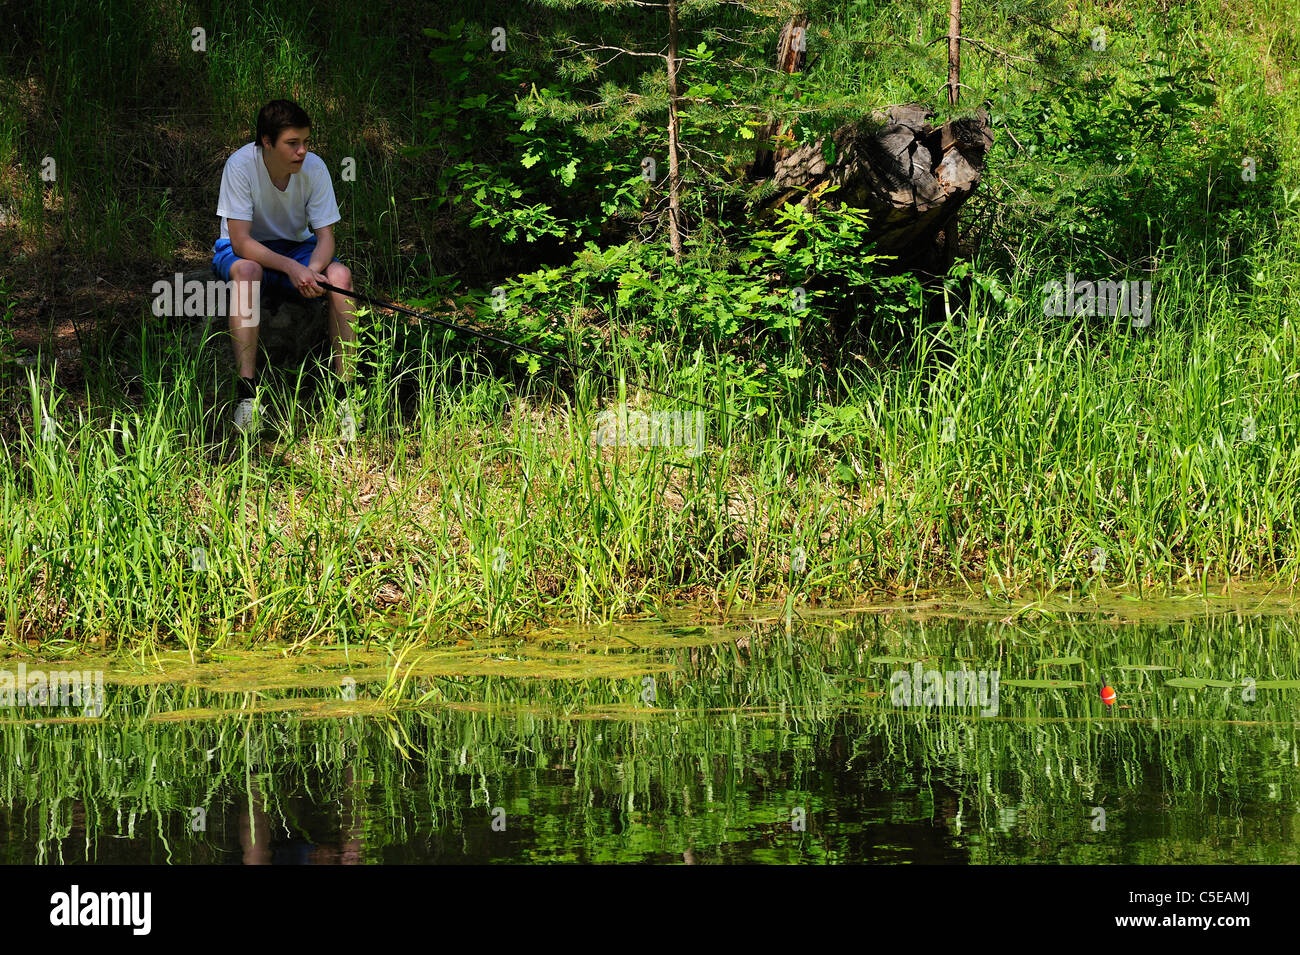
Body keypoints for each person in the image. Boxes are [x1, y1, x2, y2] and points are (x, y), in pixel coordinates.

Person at [211, 99, 360, 433]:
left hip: (298, 249)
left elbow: (325, 237)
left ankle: (346, 395)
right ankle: (247, 397)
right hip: (246, 251)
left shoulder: (315, 168)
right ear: (267, 141)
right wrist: (294, 270)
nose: (302, 151)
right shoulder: (240, 166)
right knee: (248, 272)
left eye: (305, 142)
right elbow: (240, 242)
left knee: (340, 275)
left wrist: (314, 269)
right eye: (292, 143)